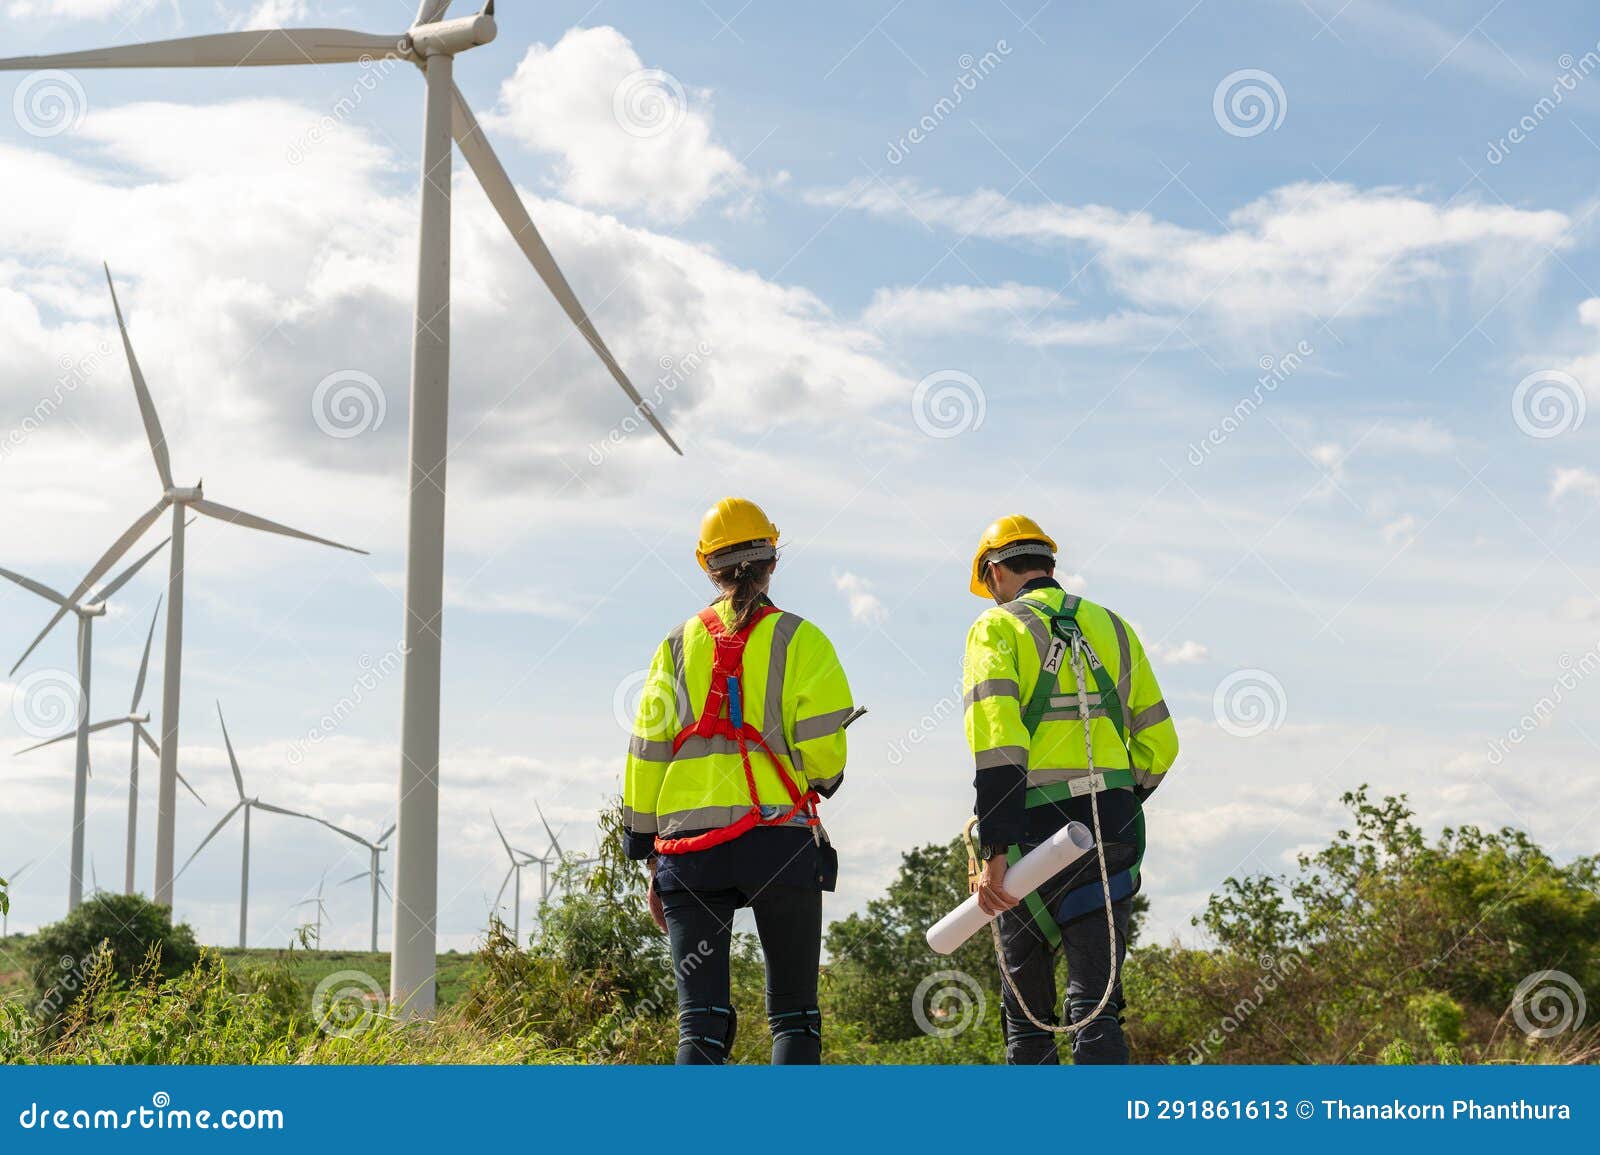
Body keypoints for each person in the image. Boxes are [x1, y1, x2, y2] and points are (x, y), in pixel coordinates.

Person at [622, 497, 854, 1065]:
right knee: (794, 1015)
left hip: (689, 852)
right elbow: (824, 754)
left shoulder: (674, 646)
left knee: (699, 1023)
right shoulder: (803, 639)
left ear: (707, 565)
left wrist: (643, 846)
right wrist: (823, 778)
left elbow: (647, 750)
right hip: (778, 843)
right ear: (773, 560)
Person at [962, 515, 1179, 1064]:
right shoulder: (1113, 626)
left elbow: (998, 744)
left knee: (1026, 1019)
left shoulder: (996, 628)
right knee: (1096, 1007)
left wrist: (994, 850)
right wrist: (1117, 798)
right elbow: (1160, 743)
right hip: (1109, 830)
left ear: (994, 572)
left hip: (1027, 840)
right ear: (1048, 564)